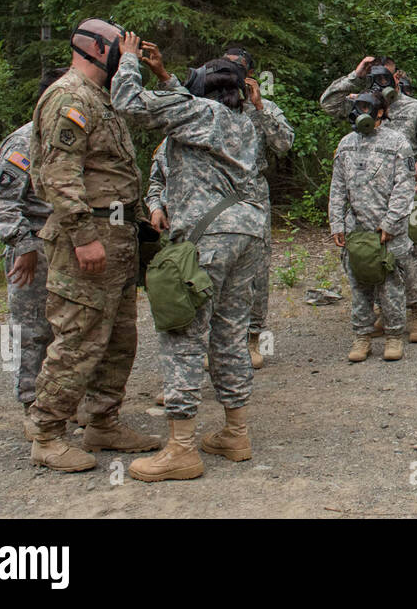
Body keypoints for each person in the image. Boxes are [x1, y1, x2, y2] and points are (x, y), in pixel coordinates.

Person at [113, 44, 271, 481]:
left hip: (208, 240)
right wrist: (165, 76)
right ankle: (235, 434)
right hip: (248, 234)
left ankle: (181, 448)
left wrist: (128, 58)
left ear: (202, 90)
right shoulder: (244, 120)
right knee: (231, 333)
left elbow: (128, 102)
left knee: (183, 333)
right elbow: (183, 98)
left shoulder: (199, 113)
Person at [25, 19, 160, 473]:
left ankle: (102, 420)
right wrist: (83, 236)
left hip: (118, 234)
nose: (128, 55)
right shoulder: (70, 97)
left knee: (119, 337)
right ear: (97, 49)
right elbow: (59, 175)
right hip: (88, 236)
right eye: (122, 48)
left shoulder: (103, 99)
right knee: (79, 336)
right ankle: (46, 432)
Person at [320, 55, 417, 337]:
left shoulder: (415, 109)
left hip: (407, 193)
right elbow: (328, 105)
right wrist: (355, 75)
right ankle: (385, 312)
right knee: (372, 255)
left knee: (410, 255)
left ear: (396, 78)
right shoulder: (360, 103)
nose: (380, 82)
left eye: (386, 76)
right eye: (374, 76)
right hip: (368, 200)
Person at [0, 67, 67, 438]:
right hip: (33, 248)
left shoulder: (63, 139)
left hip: (66, 246)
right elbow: (3, 204)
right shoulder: (23, 143)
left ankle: (61, 401)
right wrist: (24, 243)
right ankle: (32, 405)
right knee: (32, 330)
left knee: (65, 327)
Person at [329, 90, 416, 362]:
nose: (359, 112)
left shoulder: (397, 142)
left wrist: (390, 222)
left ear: (380, 112)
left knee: (390, 285)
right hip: (357, 229)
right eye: (357, 107)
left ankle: (393, 336)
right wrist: (336, 223)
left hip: (387, 231)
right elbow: (337, 187)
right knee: (359, 285)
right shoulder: (346, 144)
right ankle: (362, 337)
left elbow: (405, 187)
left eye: (366, 107)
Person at [223, 46, 293, 368]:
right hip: (218, 194)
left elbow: (284, 145)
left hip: (253, 193)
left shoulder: (263, 106)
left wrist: (260, 106)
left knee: (258, 267)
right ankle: (222, 339)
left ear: (250, 73)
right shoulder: (211, 106)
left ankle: (256, 338)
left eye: (239, 69)